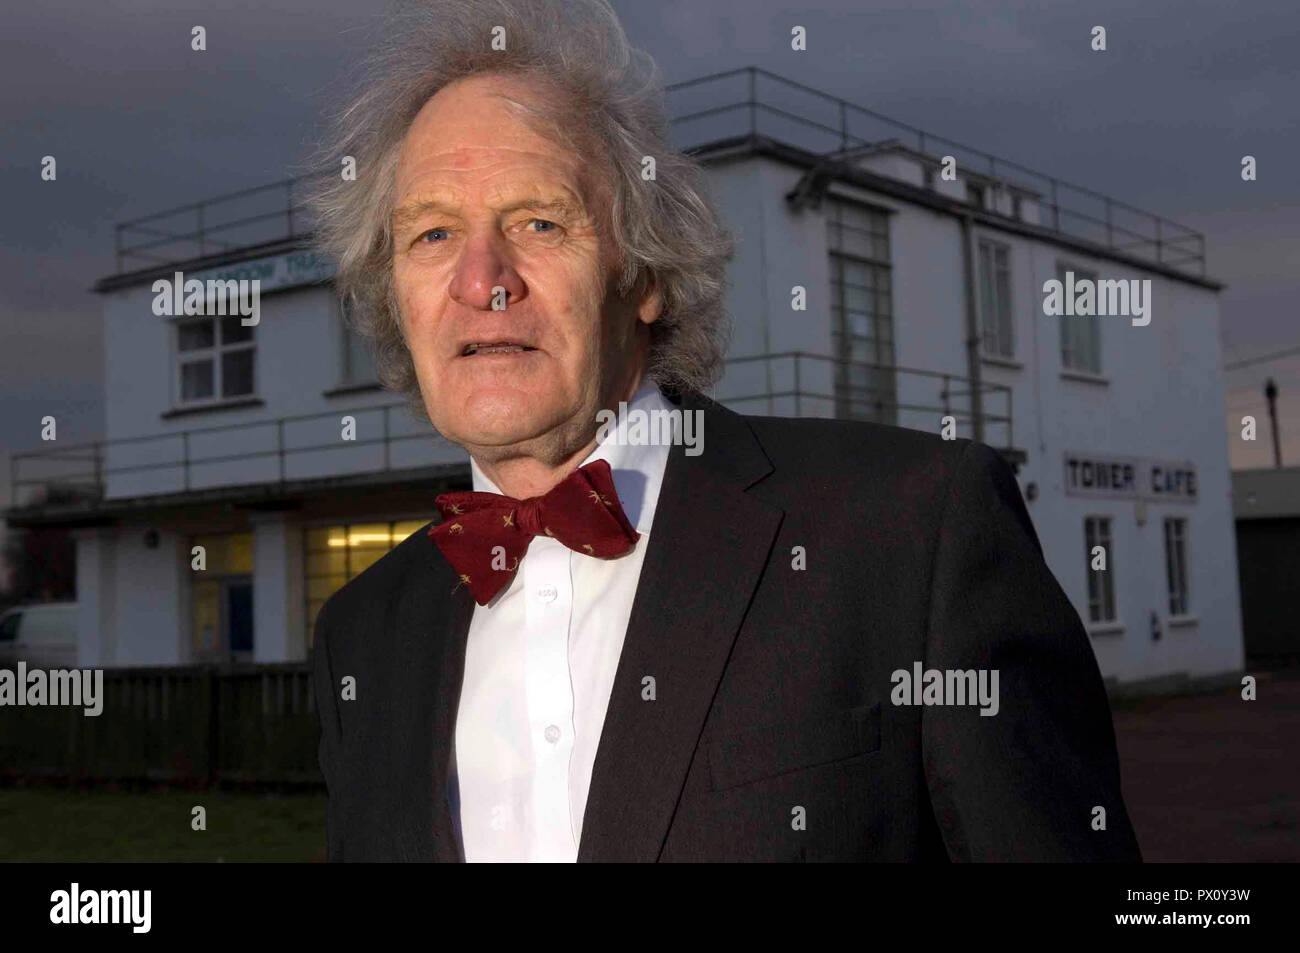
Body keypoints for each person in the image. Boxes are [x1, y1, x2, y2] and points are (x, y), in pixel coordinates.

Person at [308, 0, 1141, 862]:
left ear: (645, 276)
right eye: (433, 233)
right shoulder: (361, 635)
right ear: (393, 294)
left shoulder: (912, 534)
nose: (483, 280)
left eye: (540, 222)